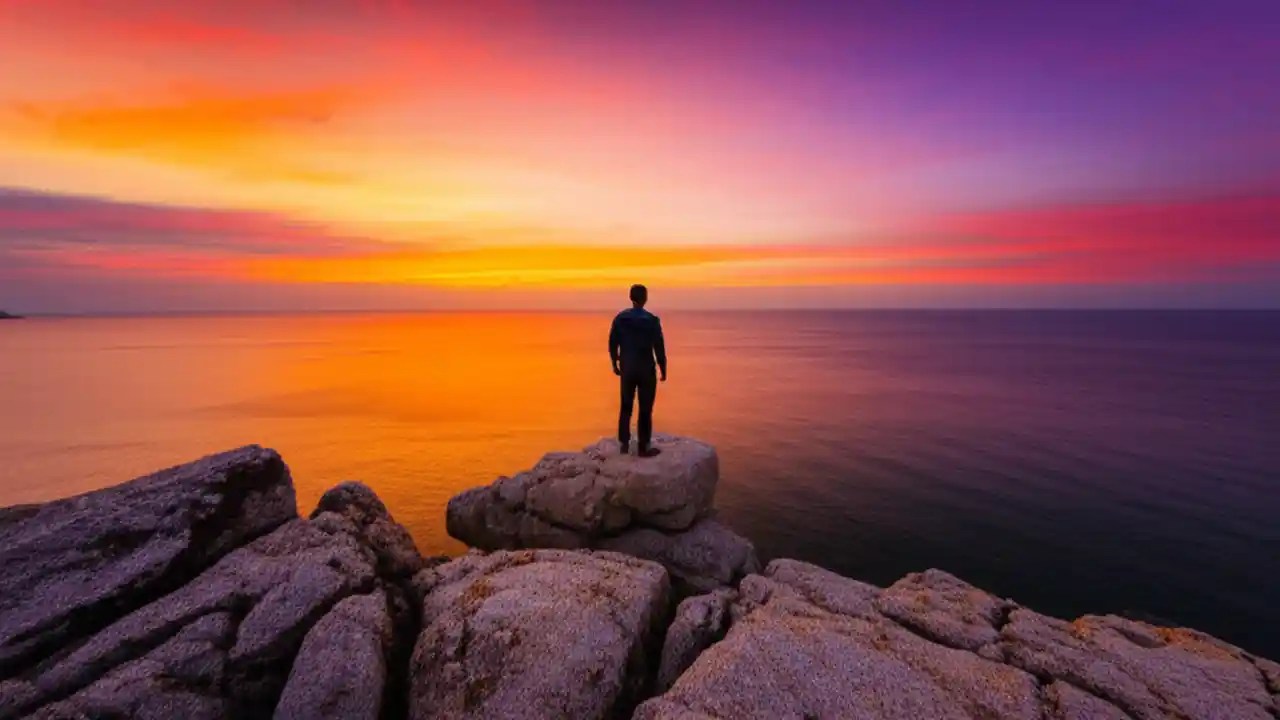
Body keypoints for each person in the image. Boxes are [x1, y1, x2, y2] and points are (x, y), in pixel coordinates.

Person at [608, 284, 667, 457]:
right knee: (645, 409)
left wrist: (615, 363)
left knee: (626, 407)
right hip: (646, 369)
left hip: (628, 368)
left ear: (630, 297)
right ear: (645, 298)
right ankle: (643, 447)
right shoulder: (652, 320)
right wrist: (663, 368)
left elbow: (612, 343)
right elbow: (659, 347)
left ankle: (624, 445)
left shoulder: (620, 319)